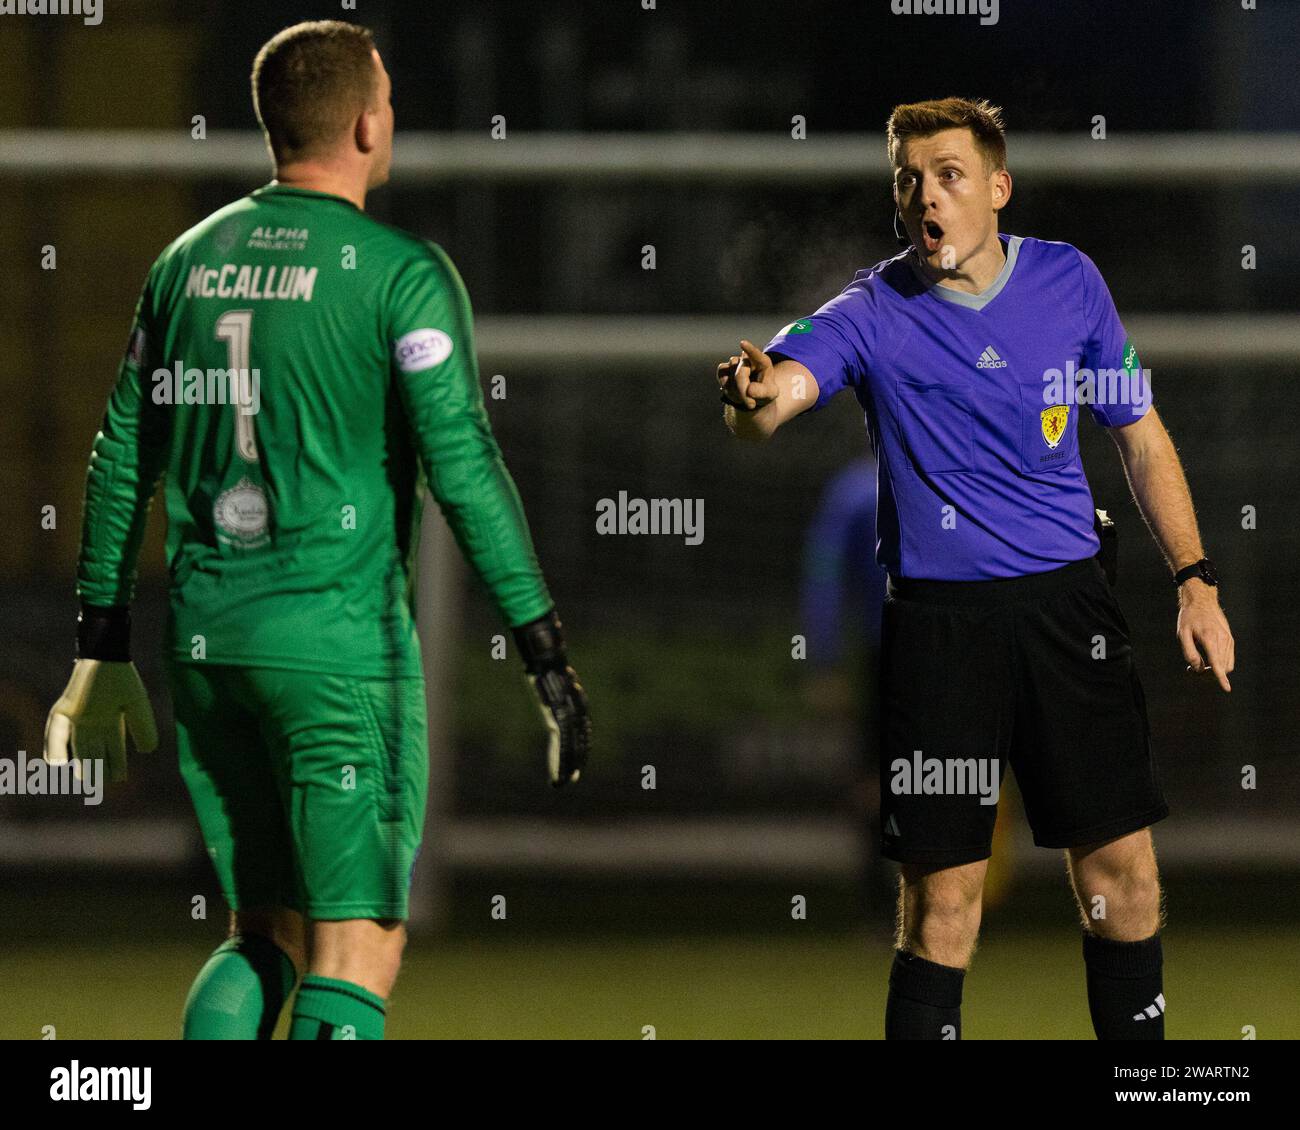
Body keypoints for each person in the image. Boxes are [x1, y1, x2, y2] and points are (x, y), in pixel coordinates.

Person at [43, 19, 590, 1041]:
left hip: (209, 648)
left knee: (264, 931)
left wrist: (98, 645)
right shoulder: (400, 273)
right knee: (359, 946)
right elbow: (463, 470)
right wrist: (541, 642)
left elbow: (122, 454)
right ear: (370, 122)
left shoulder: (185, 262)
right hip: (336, 655)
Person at [716, 97, 1234, 1040]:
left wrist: (1194, 580)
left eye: (950, 174)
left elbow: (1141, 436)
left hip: (1068, 614)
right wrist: (755, 396)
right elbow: (777, 393)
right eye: (909, 178)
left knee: (1123, 881)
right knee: (944, 909)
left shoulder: (1070, 284)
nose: (928, 195)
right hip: (940, 636)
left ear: (997, 189)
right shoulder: (870, 310)